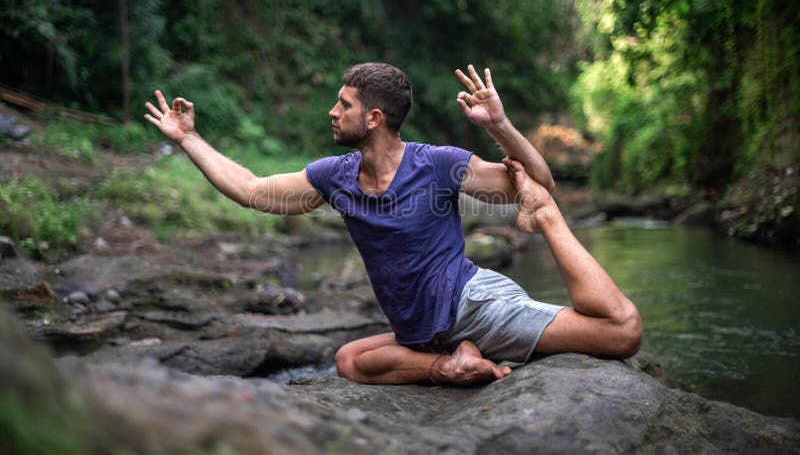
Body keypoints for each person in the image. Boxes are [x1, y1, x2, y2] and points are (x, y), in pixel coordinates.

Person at [144, 63, 642, 386]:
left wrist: (498, 126)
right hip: (425, 334)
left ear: (375, 117)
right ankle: (452, 365)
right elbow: (251, 189)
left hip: (472, 306)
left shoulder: (439, 164)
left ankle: (546, 236)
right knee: (350, 361)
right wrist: (188, 140)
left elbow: (536, 182)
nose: (333, 112)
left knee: (621, 333)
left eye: (344, 104)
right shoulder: (334, 177)